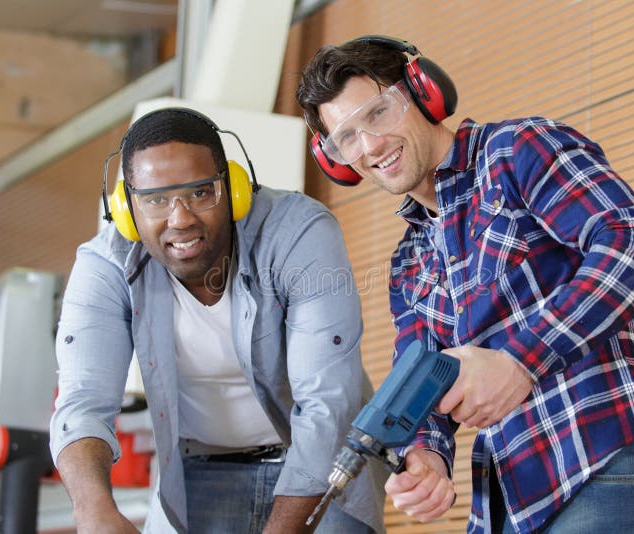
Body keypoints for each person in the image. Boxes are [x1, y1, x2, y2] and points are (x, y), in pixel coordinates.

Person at [296, 35, 634, 533]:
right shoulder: (409, 263)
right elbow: (422, 384)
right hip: (505, 506)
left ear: (421, 92)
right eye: (346, 138)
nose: (369, 146)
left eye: (376, 114)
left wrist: (521, 360)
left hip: (599, 466)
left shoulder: (516, 151)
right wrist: (425, 458)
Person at [49, 107, 387, 533]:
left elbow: (326, 405)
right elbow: (82, 403)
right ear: (125, 210)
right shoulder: (106, 264)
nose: (181, 218)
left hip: (320, 462)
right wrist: (93, 511)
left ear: (234, 189)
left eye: (200, 192)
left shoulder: (297, 233)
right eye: (155, 200)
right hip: (197, 471)